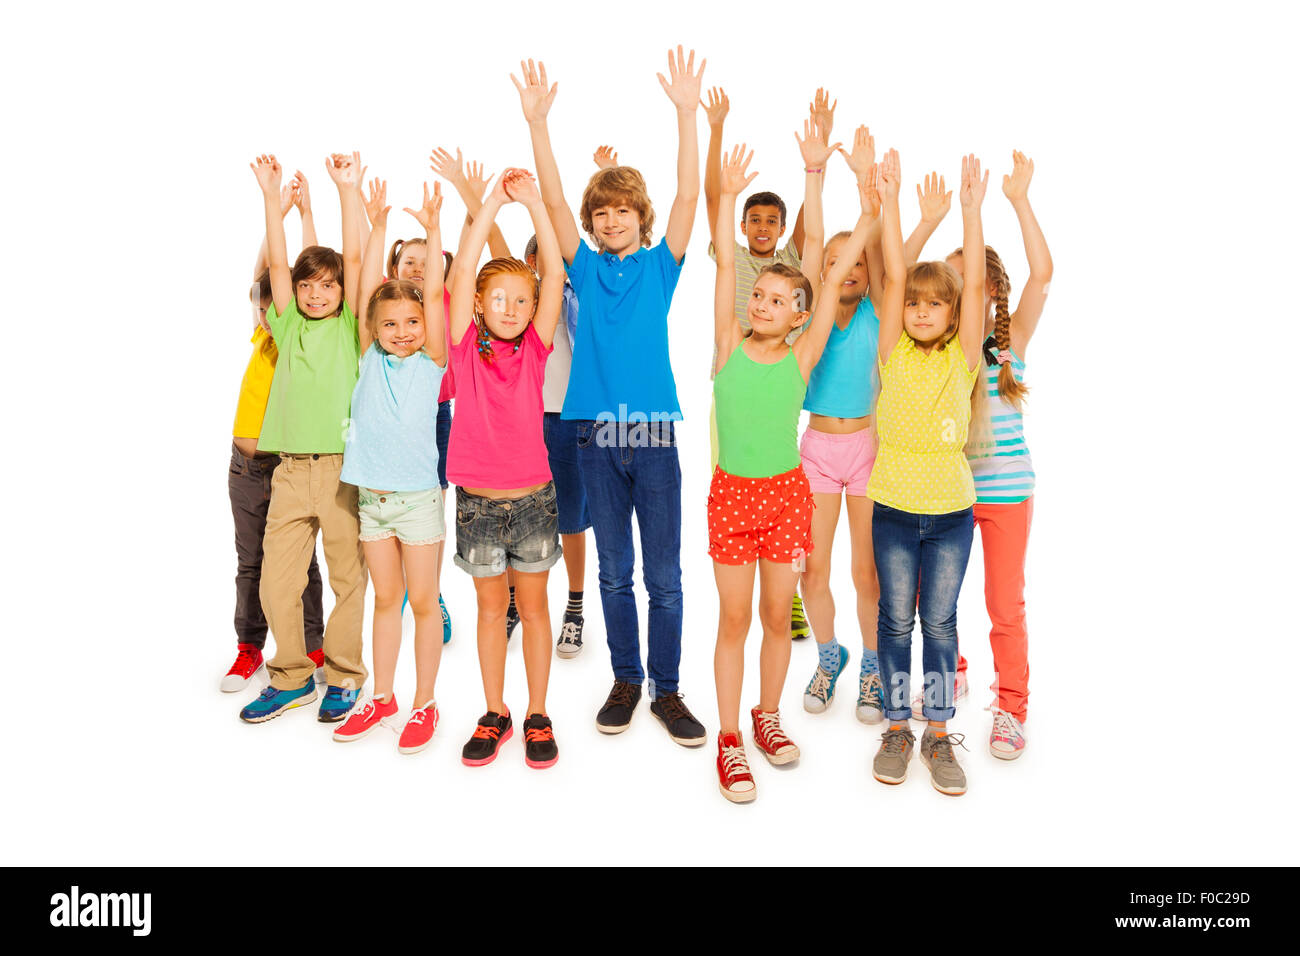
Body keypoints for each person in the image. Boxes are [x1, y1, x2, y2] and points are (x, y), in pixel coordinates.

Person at [514, 50, 708, 746]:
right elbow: (557, 203)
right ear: (593, 223)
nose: (611, 218)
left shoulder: (660, 268)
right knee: (615, 573)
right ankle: (625, 679)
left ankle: (669, 689)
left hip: (652, 434)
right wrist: (539, 124)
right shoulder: (585, 271)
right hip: (595, 432)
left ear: (639, 217)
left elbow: (689, 199)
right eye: (603, 211)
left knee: (665, 575)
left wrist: (686, 115)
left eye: (623, 209)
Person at [710, 139, 877, 802]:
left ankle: (767, 716)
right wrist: (724, 198)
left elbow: (831, 276)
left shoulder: (803, 357)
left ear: (800, 316)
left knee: (779, 616)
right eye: (761, 295)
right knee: (734, 620)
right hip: (731, 495)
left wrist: (868, 208)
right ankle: (729, 740)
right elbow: (727, 262)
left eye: (780, 299)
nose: (763, 303)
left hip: (785, 496)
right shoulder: (726, 344)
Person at [867, 150, 988, 796]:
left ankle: (937, 732)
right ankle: (895, 726)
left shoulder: (961, 362)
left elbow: (972, 288)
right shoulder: (892, 354)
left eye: (932, 305)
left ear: (950, 315)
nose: (918, 310)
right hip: (890, 507)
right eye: (914, 303)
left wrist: (970, 213)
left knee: (939, 624)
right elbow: (890, 279)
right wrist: (890, 201)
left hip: (948, 516)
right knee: (894, 622)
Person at [238, 152, 369, 725]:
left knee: (347, 578)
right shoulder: (286, 323)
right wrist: (274, 201)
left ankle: (342, 675)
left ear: (343, 293)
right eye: (307, 286)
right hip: (290, 470)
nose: (316, 294)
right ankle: (290, 676)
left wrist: (347, 190)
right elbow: (277, 273)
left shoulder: (349, 329)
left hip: (342, 469)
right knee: (276, 581)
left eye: (328, 286)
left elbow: (359, 257)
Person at [447, 169, 565, 770]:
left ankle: (538, 712)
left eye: (523, 300)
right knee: (492, 611)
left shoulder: (536, 349)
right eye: (501, 300)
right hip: (477, 505)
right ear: (476, 307)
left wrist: (537, 206)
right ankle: (495, 711)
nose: (515, 309)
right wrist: (492, 202)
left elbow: (555, 281)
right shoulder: (464, 347)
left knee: (536, 610)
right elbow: (464, 270)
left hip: (534, 502)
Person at [331, 181, 450, 754]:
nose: (402, 331)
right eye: (390, 324)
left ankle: (425, 701)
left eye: (412, 321)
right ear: (373, 329)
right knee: (385, 601)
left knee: (423, 603)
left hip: (419, 501)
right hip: (374, 503)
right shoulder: (366, 356)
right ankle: (383, 696)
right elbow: (363, 283)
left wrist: (433, 227)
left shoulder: (431, 363)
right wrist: (371, 219)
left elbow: (434, 294)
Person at [223, 171, 326, 692]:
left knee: (301, 564)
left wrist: (307, 217)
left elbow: (302, 271)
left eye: (273, 307)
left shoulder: (300, 338)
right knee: (251, 562)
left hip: (288, 465)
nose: (266, 315)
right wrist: (278, 211)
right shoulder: (258, 336)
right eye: (260, 308)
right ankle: (249, 647)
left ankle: (312, 643)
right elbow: (265, 267)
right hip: (244, 468)